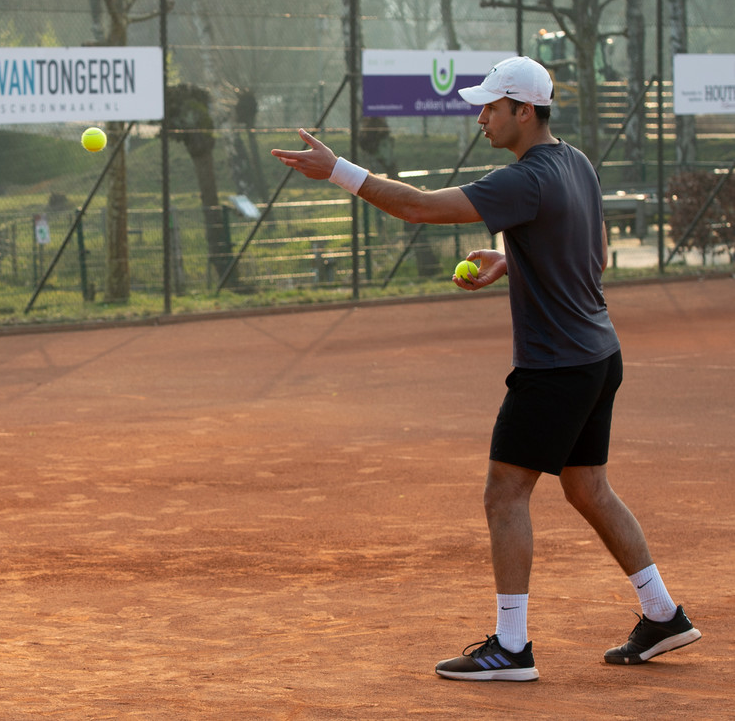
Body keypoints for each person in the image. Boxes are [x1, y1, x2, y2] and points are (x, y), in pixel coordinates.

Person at [271, 56, 700, 681]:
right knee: (588, 488)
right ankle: (663, 614)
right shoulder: (576, 163)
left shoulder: (523, 180)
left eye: (491, 107)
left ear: (523, 111)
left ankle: (512, 647)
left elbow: (417, 207)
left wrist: (336, 169)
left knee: (505, 494)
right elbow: (596, 254)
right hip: (599, 356)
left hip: (554, 366)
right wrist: (511, 261)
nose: (482, 117)